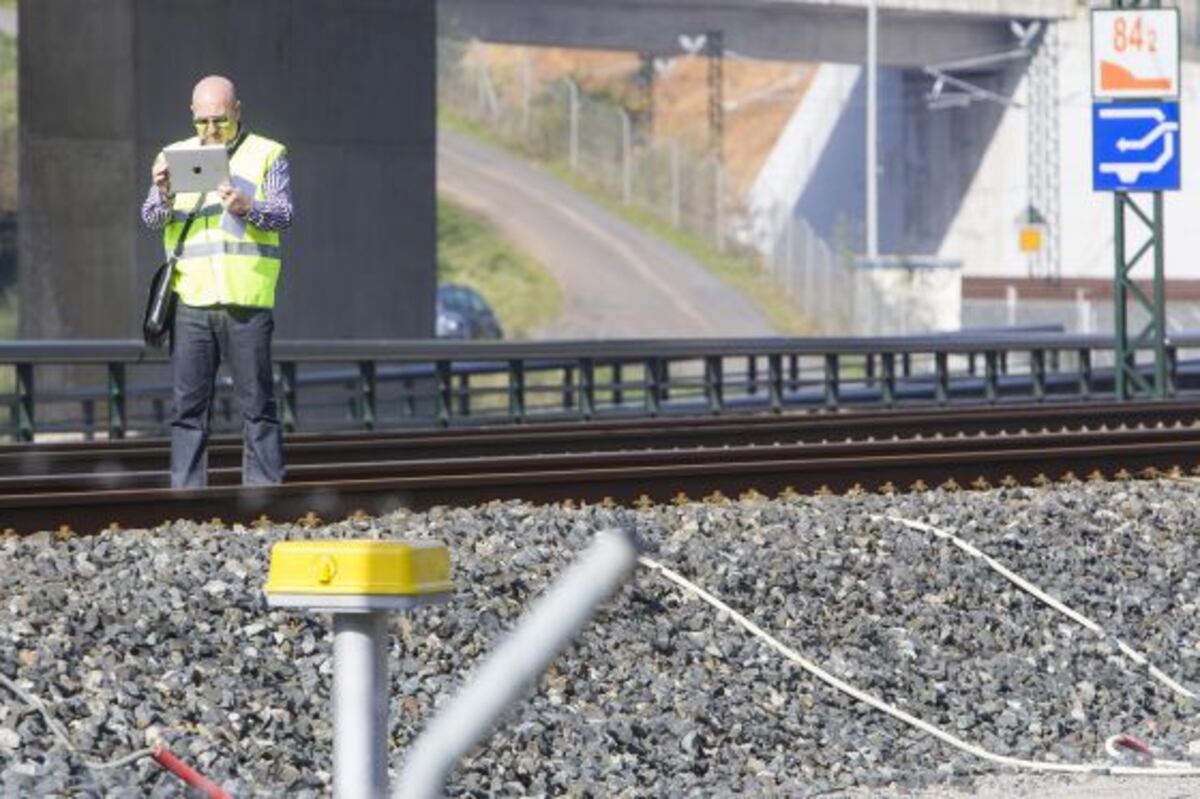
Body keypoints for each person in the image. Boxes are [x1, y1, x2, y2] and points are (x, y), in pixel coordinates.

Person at [141, 75, 292, 489]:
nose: (211, 131)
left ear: (238, 111)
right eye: (203, 121)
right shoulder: (173, 156)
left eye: (220, 121)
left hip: (246, 301)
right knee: (188, 410)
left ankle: (265, 497)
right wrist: (165, 195)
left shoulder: (267, 154)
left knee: (258, 406)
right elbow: (151, 219)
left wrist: (249, 208)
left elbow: (284, 214)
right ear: (192, 115)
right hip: (192, 302)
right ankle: (186, 499)